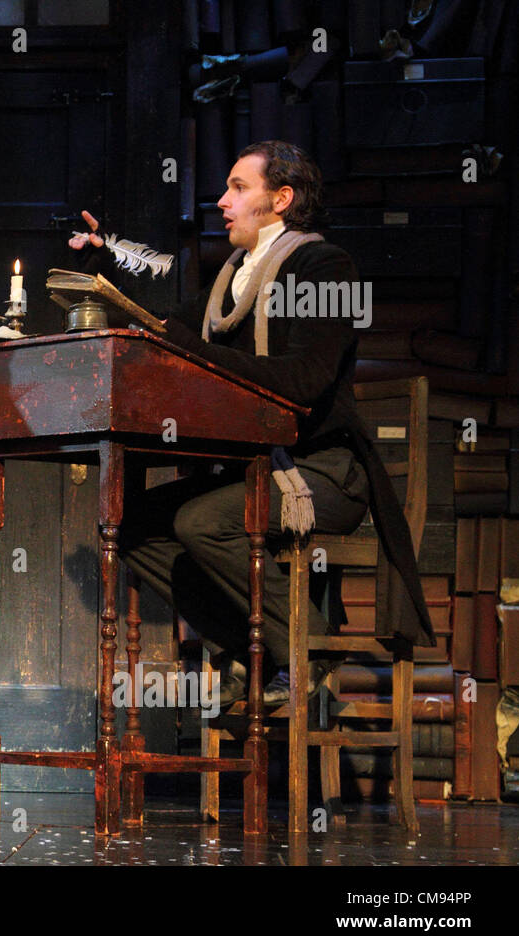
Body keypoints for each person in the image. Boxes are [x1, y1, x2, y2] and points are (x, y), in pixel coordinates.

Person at [70, 140, 434, 706]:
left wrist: (196, 351)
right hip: (257, 468)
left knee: (201, 522)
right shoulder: (231, 279)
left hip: (323, 470)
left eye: (239, 188)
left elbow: (302, 381)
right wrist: (105, 259)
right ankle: (254, 646)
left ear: (282, 198)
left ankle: (308, 645)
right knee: (132, 525)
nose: (222, 201)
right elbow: (161, 325)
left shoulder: (323, 266)